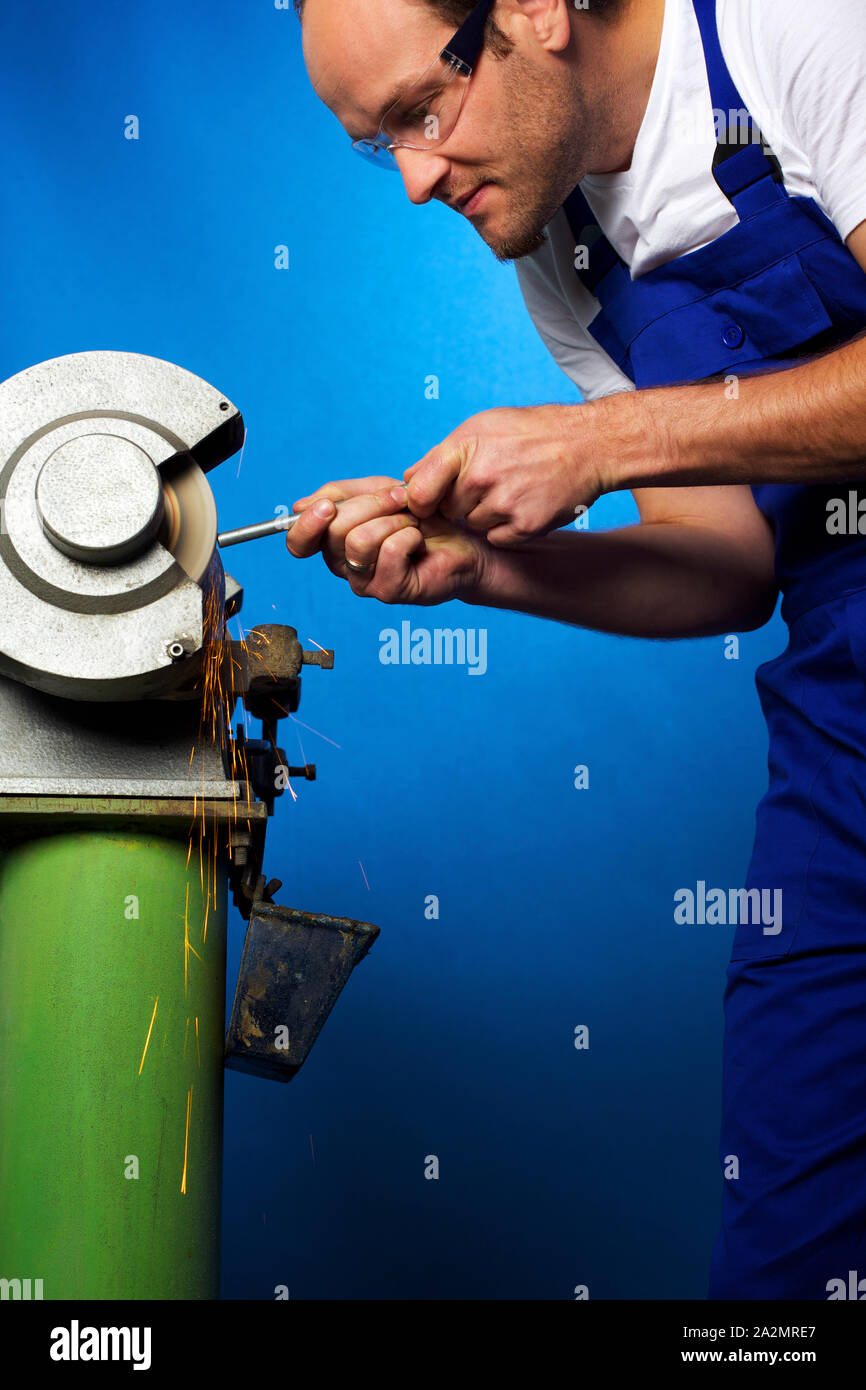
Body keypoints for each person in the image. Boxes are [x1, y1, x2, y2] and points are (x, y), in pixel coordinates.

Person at [285, 0, 866, 1299]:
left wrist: (599, 442)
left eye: (421, 112)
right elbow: (728, 565)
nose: (419, 179)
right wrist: (484, 568)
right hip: (845, 726)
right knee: (786, 1242)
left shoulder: (797, 32)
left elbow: (636, 451)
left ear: (536, 10)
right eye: (381, 145)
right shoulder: (564, 251)